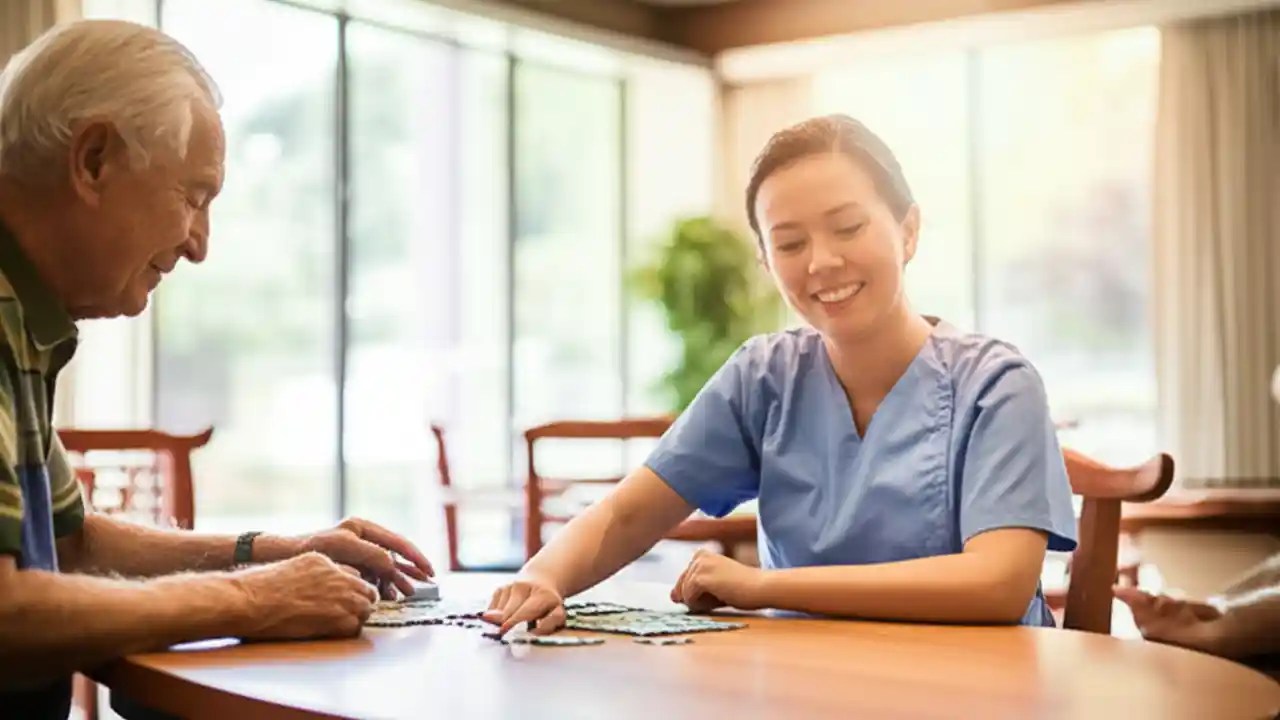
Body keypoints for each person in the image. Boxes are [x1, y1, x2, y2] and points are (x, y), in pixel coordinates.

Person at [483, 114, 1077, 637]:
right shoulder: (763, 377)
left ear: (909, 230)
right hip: (804, 686)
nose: (821, 262)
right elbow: (629, 513)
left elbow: (996, 584)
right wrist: (541, 577)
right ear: (766, 262)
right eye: (789, 243)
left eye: (848, 228)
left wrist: (765, 587)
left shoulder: (997, 385)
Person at [0, 20, 433, 720]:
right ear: (94, 160)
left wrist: (265, 554)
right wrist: (254, 598)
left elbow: (70, 543)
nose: (199, 245)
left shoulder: (23, 313)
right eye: (193, 198)